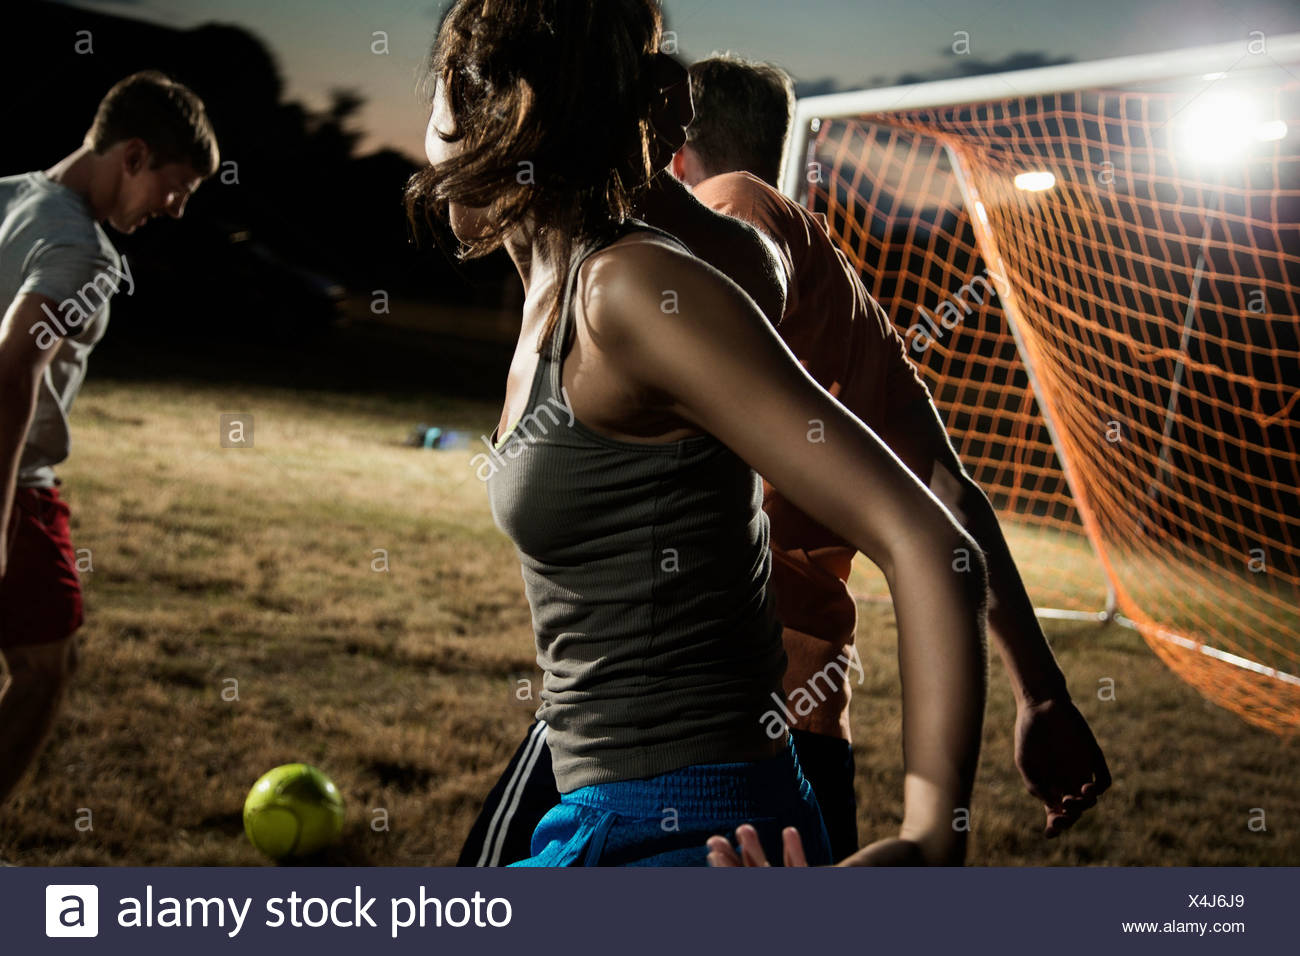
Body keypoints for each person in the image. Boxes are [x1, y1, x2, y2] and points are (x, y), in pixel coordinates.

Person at [414, 0, 988, 868]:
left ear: (486, 110)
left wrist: (929, 842)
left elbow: (930, 543)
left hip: (697, 834)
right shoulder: (563, 299)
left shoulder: (628, 293)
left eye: (440, 93)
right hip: (610, 814)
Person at [673, 54, 1110, 864]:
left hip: (705, 696)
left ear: (672, 153)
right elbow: (953, 494)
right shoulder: (852, 298)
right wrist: (1040, 693)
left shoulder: (727, 205)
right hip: (811, 713)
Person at [0, 71, 217, 809]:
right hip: (15, 483)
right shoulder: (85, 253)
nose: (177, 209)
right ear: (133, 156)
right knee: (44, 666)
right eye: (176, 185)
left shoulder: (7, 197)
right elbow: (14, 367)